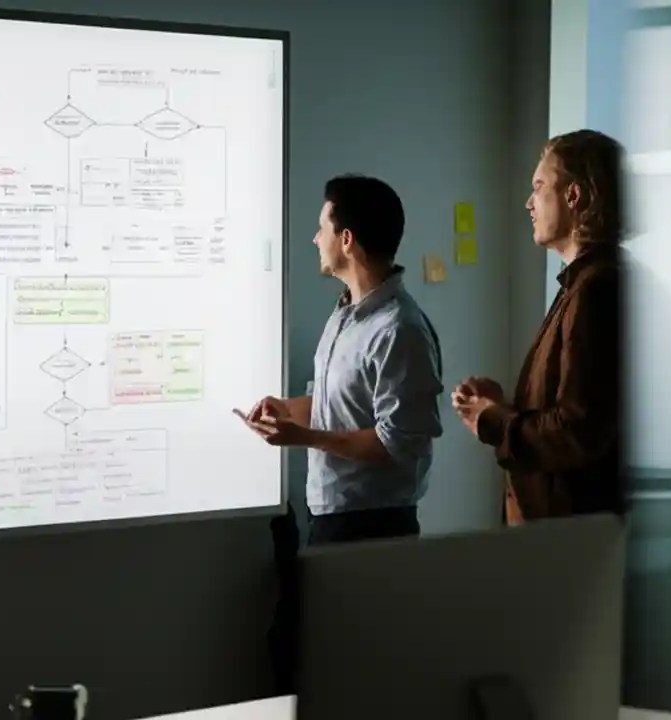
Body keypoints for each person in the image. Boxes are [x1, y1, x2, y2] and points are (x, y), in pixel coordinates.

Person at [240, 173, 444, 693]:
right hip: (333, 522)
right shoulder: (345, 317)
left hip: (373, 529)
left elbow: (396, 444)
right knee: (303, 659)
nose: (315, 238)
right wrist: (287, 410)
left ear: (346, 239)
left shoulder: (399, 330)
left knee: (348, 675)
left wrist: (302, 438)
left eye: (321, 226)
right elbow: (338, 407)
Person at [452, 129, 626, 524]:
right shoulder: (583, 285)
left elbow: (580, 430)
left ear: (574, 196)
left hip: (570, 538)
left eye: (539, 186)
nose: (528, 203)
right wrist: (503, 408)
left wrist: (494, 420)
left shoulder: (596, 289)